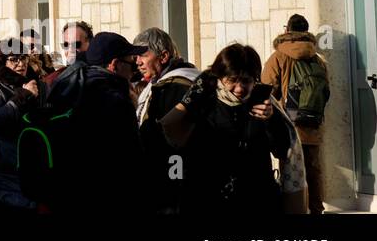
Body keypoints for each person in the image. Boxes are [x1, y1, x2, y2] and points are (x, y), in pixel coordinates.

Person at [161, 42, 295, 214]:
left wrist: (270, 121)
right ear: (220, 78)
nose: (239, 89)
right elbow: (180, 146)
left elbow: (282, 149)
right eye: (232, 80)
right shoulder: (203, 103)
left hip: (257, 200)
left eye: (246, 81)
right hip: (212, 200)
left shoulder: (264, 104)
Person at [42, 32, 144, 213]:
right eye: (130, 62)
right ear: (115, 64)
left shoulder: (71, 88)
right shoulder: (115, 100)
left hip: (65, 194)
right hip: (104, 198)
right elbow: (130, 159)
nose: (135, 66)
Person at [262, 14, 331, 214]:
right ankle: (316, 209)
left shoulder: (279, 56)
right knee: (313, 169)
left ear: (287, 30)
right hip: (313, 121)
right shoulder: (317, 59)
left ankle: (293, 209)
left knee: (290, 170)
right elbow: (325, 90)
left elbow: (267, 87)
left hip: (289, 124)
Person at [133, 27, 198, 213]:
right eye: (136, 56)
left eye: (143, 55)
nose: (138, 62)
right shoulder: (160, 83)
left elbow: (172, 142)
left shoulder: (176, 86)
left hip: (174, 177)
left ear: (163, 56)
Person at [0, 37, 42, 213]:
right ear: (1, 61)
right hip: (0, 174)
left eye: (23, 58)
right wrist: (23, 96)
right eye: (14, 59)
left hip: (25, 170)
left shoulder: (34, 84)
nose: (21, 63)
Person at [45, 21, 93, 88]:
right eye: (66, 44)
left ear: (89, 43)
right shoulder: (52, 80)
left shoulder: (100, 77)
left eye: (76, 44)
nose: (71, 50)